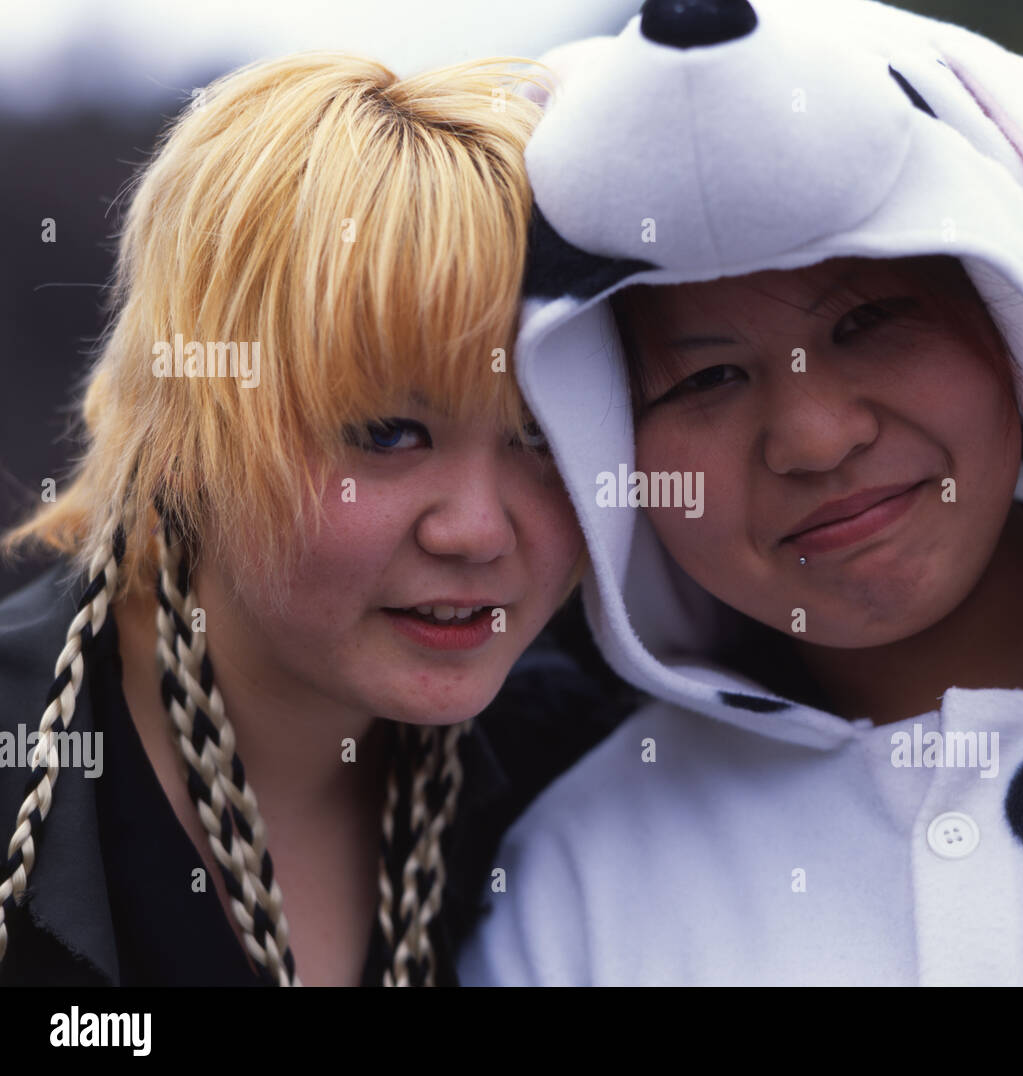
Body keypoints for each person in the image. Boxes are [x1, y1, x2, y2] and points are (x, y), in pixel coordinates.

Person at [457, 0, 1023, 985]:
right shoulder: (572, 880)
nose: (814, 438)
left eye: (872, 321)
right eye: (705, 379)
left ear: (1017, 323)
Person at [0, 51, 625, 987]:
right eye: (386, 432)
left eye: (542, 436)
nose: (477, 530)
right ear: (189, 419)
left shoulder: (583, 764)